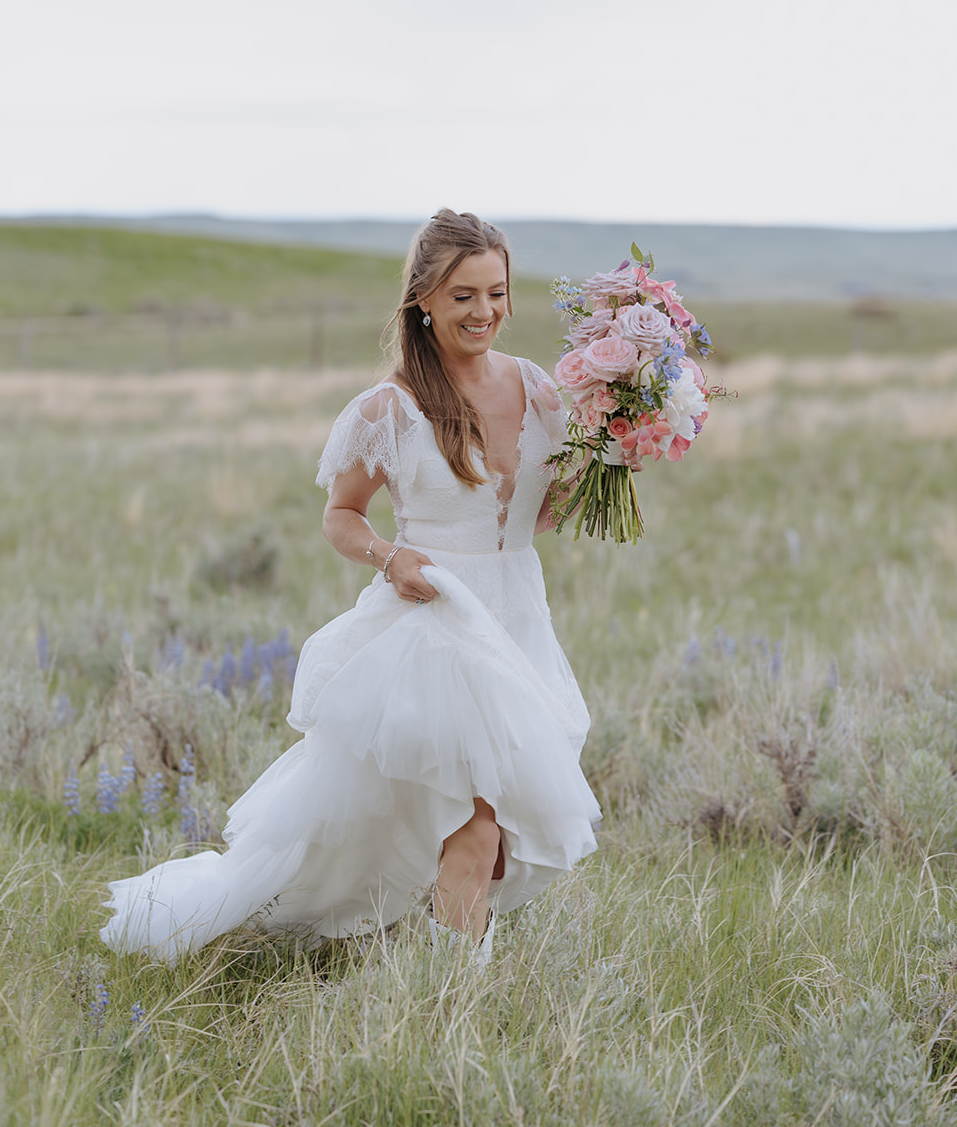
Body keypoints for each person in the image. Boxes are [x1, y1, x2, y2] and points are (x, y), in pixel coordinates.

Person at [101, 209, 600, 963]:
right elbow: (340, 515)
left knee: (495, 834)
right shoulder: (388, 409)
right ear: (423, 299)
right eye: (463, 295)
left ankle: (438, 958)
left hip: (516, 618)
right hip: (432, 625)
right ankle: (451, 1003)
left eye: (496, 293)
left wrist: (617, 462)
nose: (484, 312)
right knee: (475, 827)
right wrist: (388, 556)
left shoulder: (538, 389)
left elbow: (535, 517)